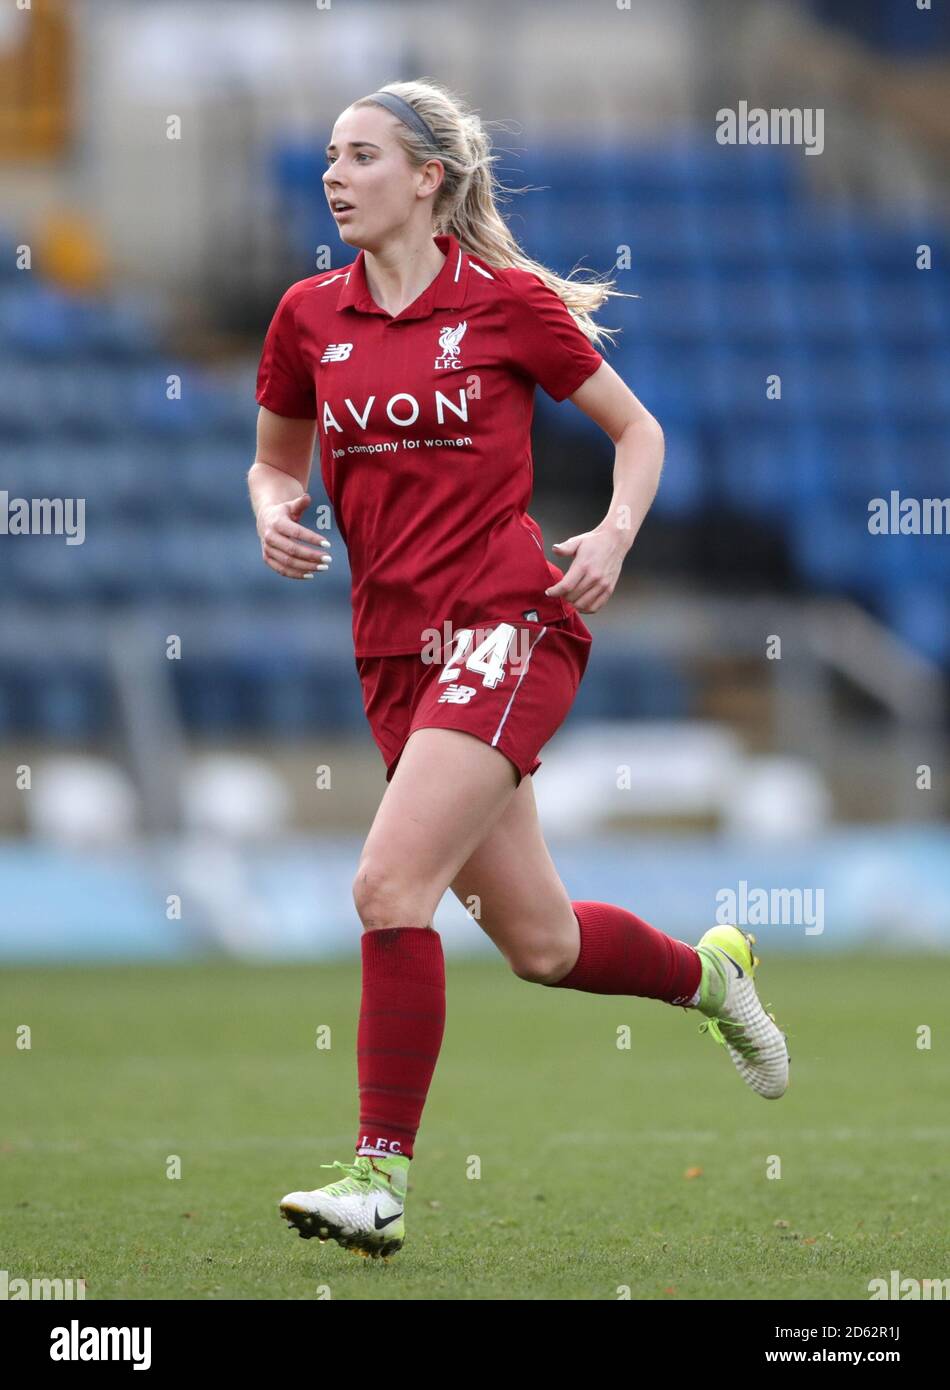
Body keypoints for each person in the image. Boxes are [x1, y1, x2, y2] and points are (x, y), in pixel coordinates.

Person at [248, 79, 789, 1261]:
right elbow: (273, 460)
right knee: (539, 944)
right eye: (330, 157)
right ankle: (711, 978)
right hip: (393, 651)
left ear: (427, 176)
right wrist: (273, 508)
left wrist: (608, 534)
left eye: (361, 156)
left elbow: (637, 431)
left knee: (388, 889)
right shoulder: (306, 314)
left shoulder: (504, 304)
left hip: (506, 624)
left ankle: (377, 1177)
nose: (333, 176)